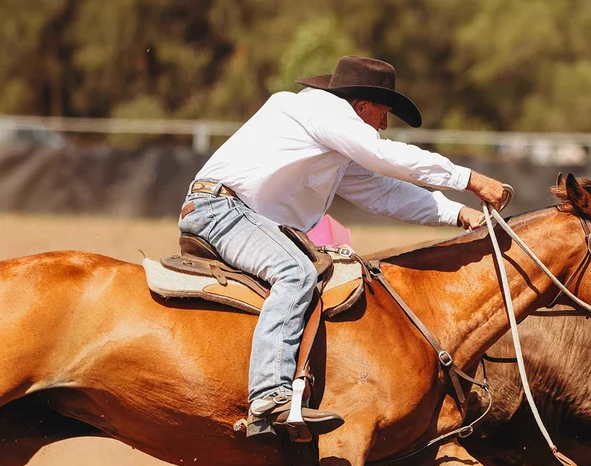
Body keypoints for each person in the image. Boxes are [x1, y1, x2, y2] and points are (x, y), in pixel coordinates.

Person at [178, 56, 507, 440]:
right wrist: (470, 179)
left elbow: (383, 191)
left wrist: (457, 213)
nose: (383, 125)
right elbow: (385, 157)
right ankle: (268, 396)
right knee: (295, 272)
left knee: (315, 276)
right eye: (383, 113)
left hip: (237, 214)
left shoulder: (327, 136)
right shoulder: (322, 109)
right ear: (361, 106)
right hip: (220, 209)